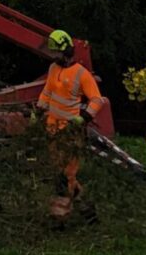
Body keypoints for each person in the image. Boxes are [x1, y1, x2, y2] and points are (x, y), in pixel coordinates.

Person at [37, 28, 102, 223]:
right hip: (53, 130)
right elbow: (47, 92)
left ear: (65, 51)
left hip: (71, 133)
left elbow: (97, 100)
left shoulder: (81, 74)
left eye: (56, 52)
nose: (53, 56)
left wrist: (84, 117)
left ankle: (59, 218)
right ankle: (89, 213)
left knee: (66, 177)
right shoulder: (53, 69)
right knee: (59, 173)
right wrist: (37, 111)